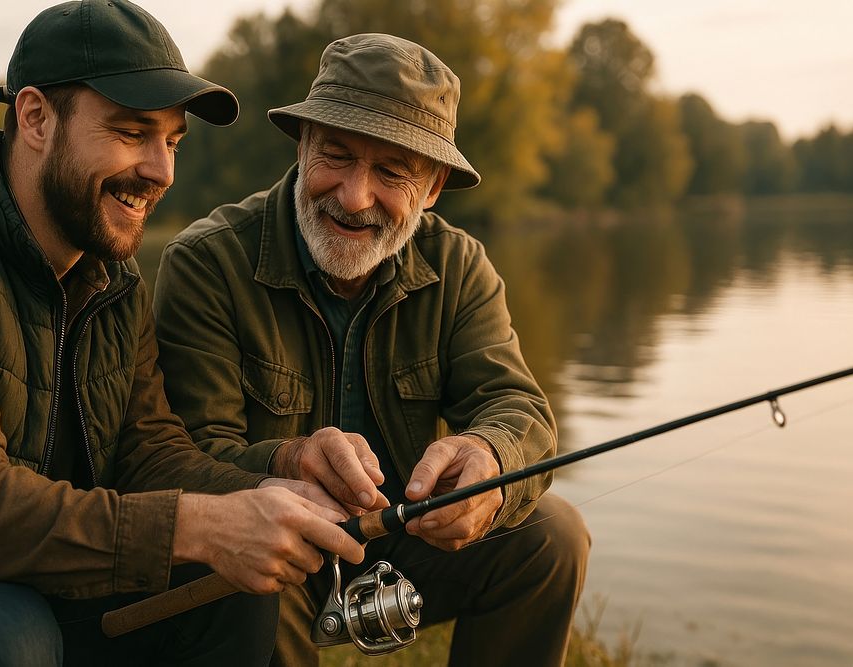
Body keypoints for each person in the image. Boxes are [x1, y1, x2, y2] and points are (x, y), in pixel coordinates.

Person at [0, 2, 364, 665]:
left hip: (27, 576)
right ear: (34, 117)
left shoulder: (110, 275)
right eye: (132, 132)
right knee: (6, 637)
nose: (161, 171)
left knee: (230, 587)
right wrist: (202, 524)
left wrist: (275, 480)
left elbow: (148, 455)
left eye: (173, 141)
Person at [153, 33, 592, 666]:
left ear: (433, 187)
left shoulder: (459, 265)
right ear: (303, 146)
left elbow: (516, 405)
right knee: (244, 570)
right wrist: (289, 460)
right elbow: (187, 457)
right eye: (336, 154)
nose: (354, 196)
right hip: (268, 540)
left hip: (401, 541)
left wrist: (489, 462)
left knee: (553, 535)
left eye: (391, 172)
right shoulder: (207, 262)